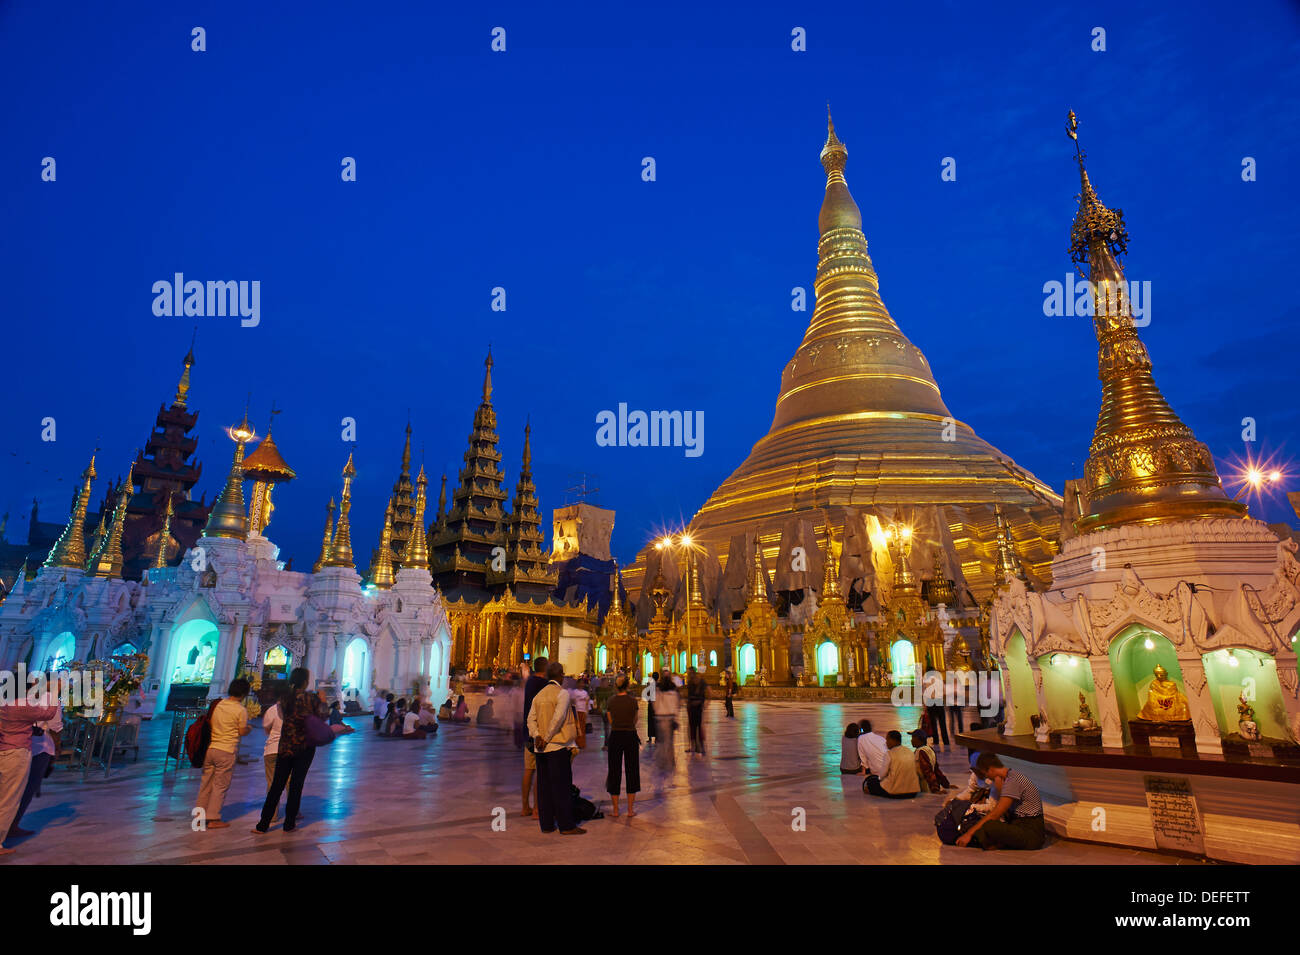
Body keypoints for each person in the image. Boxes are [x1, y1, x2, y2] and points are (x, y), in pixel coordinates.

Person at [255, 668, 348, 834]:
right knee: (296, 784)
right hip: (304, 746)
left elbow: (285, 716)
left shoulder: (286, 698)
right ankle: (289, 824)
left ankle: (263, 824)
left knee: (277, 784)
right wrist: (323, 700)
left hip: (286, 744)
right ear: (305, 681)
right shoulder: (310, 698)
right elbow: (323, 717)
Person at [527, 661, 584, 835]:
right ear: (560, 675)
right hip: (557, 746)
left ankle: (547, 824)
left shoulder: (539, 695)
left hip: (540, 749)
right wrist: (545, 738)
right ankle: (566, 825)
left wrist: (536, 735)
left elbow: (530, 719)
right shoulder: (562, 694)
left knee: (544, 787)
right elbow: (558, 719)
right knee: (561, 786)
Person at [0, 694, 59, 855]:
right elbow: (49, 716)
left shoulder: (5, 704)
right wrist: (55, 696)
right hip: (17, 752)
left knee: (5, 796)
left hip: (5, 749)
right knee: (10, 799)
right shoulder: (22, 705)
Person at [956, 754, 1045, 850]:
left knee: (989, 826)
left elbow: (996, 814)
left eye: (986, 774)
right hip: (1018, 824)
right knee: (983, 823)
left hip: (1031, 832)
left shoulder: (1013, 781)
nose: (987, 777)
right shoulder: (1009, 776)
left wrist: (969, 834)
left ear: (991, 769)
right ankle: (995, 842)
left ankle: (976, 839)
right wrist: (1000, 789)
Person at [196, 678, 253, 829]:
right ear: (244, 694)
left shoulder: (218, 705)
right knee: (220, 785)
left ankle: (198, 816)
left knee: (205, 783)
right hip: (226, 750)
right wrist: (249, 729)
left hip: (212, 748)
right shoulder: (240, 709)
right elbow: (241, 731)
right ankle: (213, 818)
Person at [604, 674, 640, 818]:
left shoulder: (611, 701)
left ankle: (616, 809)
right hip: (630, 735)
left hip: (616, 735)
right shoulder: (632, 701)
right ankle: (630, 810)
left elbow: (610, 719)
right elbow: (635, 719)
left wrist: (617, 725)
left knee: (614, 770)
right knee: (632, 770)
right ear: (628, 685)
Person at [520, 657, 548, 817]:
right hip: (539, 732)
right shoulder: (543, 684)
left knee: (528, 770)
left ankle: (525, 807)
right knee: (540, 771)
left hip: (528, 731)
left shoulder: (529, 682)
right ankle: (537, 808)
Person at [863, 730, 920, 799]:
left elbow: (882, 775)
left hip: (896, 792)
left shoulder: (889, 754)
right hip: (913, 792)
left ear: (893, 740)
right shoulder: (910, 752)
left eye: (887, 740)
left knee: (871, 782)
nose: (886, 743)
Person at [652, 673, 680, 781]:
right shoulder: (673, 693)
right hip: (669, 718)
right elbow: (676, 706)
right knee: (669, 742)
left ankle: (661, 762)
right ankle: (669, 763)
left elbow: (654, 704)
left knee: (661, 742)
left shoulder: (659, 692)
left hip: (659, 718)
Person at [910, 728, 951, 793]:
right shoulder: (929, 749)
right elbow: (936, 770)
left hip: (925, 786)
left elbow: (927, 771)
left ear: (918, 739)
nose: (911, 740)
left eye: (913, 738)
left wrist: (935, 789)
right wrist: (946, 784)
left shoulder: (920, 752)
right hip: (929, 785)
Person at [261, 696, 283, 789]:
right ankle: (292, 803)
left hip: (272, 750)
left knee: (272, 783)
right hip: (288, 750)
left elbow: (266, 728)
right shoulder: (295, 709)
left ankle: (273, 804)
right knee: (290, 783)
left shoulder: (272, 710)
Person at [685, 667, 707, 755]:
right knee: (694, 727)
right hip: (693, 707)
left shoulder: (699, 682)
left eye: (689, 673)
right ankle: (696, 747)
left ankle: (699, 747)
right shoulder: (692, 682)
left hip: (696, 707)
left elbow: (706, 693)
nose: (688, 675)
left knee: (696, 727)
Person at [641, 671, 658, 745]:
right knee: (656, 721)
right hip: (657, 705)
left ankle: (650, 737)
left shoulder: (650, 685)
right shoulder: (659, 685)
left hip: (651, 704)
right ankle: (657, 737)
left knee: (650, 720)